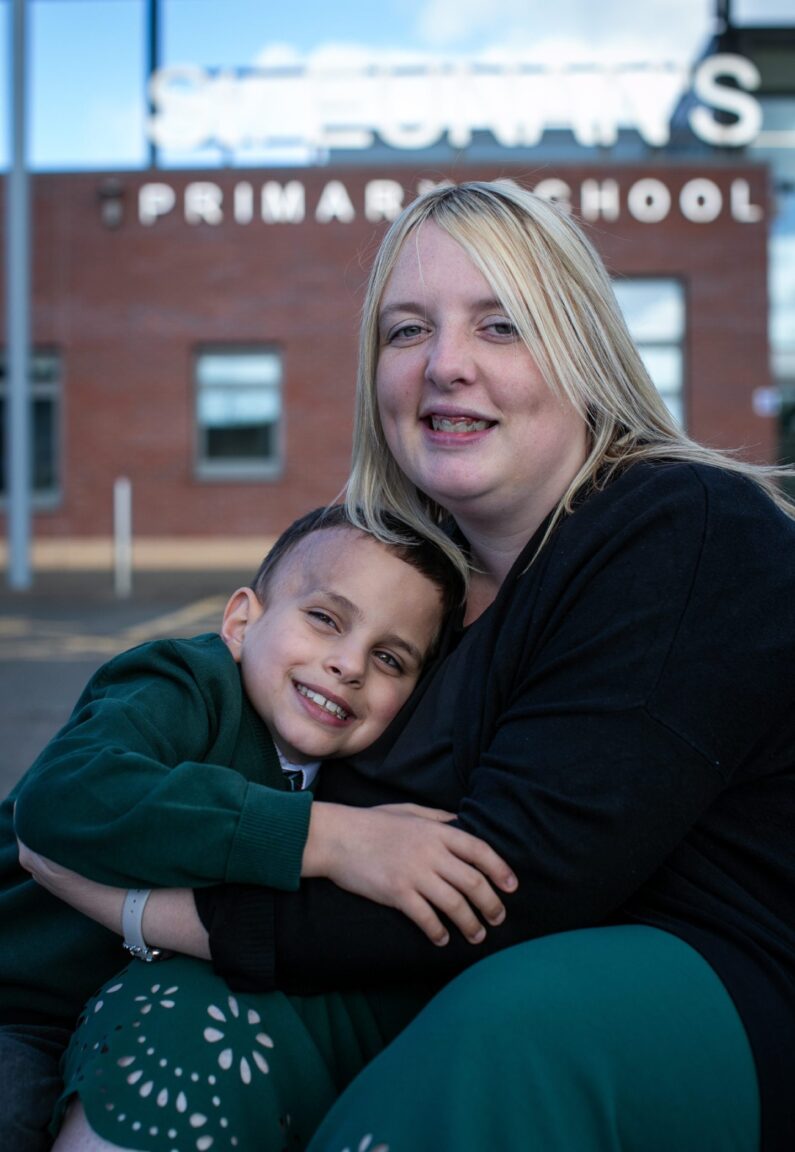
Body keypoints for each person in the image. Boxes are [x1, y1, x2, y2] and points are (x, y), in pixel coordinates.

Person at [19, 179, 795, 1152]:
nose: (445, 366)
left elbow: (501, 888)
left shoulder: (682, 527)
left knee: (515, 1026)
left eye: (501, 327)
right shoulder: (401, 582)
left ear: (584, 351)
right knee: (179, 1017)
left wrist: (132, 907)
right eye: (406, 331)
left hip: (692, 981)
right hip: (419, 966)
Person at [4, 502, 515, 1152]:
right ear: (242, 621)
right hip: (21, 1009)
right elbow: (60, 801)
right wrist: (325, 839)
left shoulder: (367, 772)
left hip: (127, 1008)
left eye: (390, 659)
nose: (349, 664)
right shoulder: (183, 682)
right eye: (326, 619)